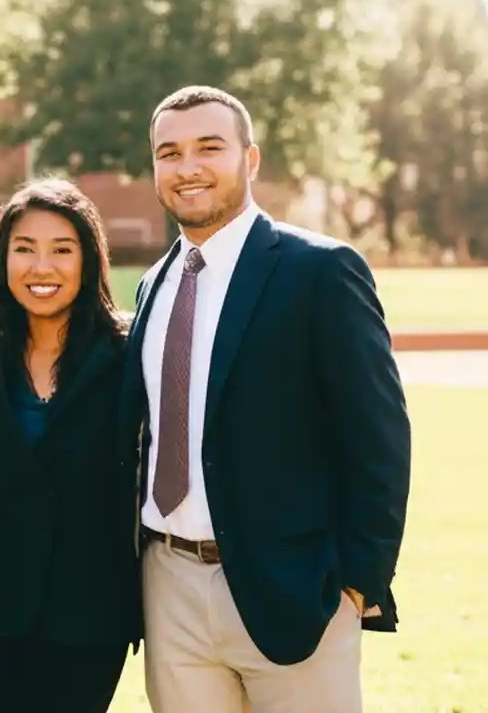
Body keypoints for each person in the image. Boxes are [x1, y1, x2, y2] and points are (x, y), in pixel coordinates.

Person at [120, 85, 411, 713]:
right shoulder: (153, 283)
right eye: (169, 152)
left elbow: (378, 438)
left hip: (295, 588)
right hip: (168, 585)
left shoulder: (321, 272)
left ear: (249, 160)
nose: (187, 166)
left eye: (209, 147)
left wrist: (359, 583)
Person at [0, 179, 139, 712]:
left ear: (89, 260)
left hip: (92, 610)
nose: (42, 268)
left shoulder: (128, 353)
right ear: (2, 258)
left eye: (62, 250)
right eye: (24, 250)